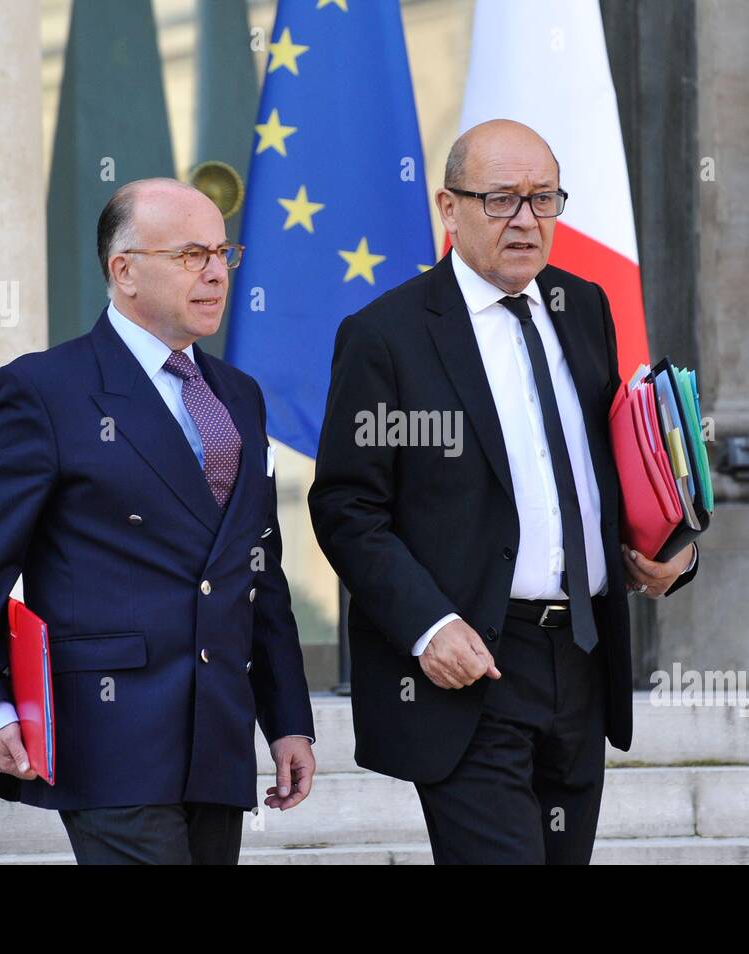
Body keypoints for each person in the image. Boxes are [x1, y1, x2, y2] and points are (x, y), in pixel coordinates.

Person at [308, 119, 698, 864]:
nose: (525, 220)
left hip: (582, 656)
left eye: (543, 199)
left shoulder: (582, 307)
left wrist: (670, 549)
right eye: (500, 200)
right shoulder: (386, 335)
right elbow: (347, 508)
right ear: (447, 209)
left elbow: (610, 464)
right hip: (473, 667)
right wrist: (427, 626)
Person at [0, 178, 315, 864]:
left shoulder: (239, 396)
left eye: (222, 253)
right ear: (124, 271)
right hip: (107, 735)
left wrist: (288, 718)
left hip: (219, 737)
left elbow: (259, 565)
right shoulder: (45, 389)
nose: (214, 272)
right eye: (190, 254)